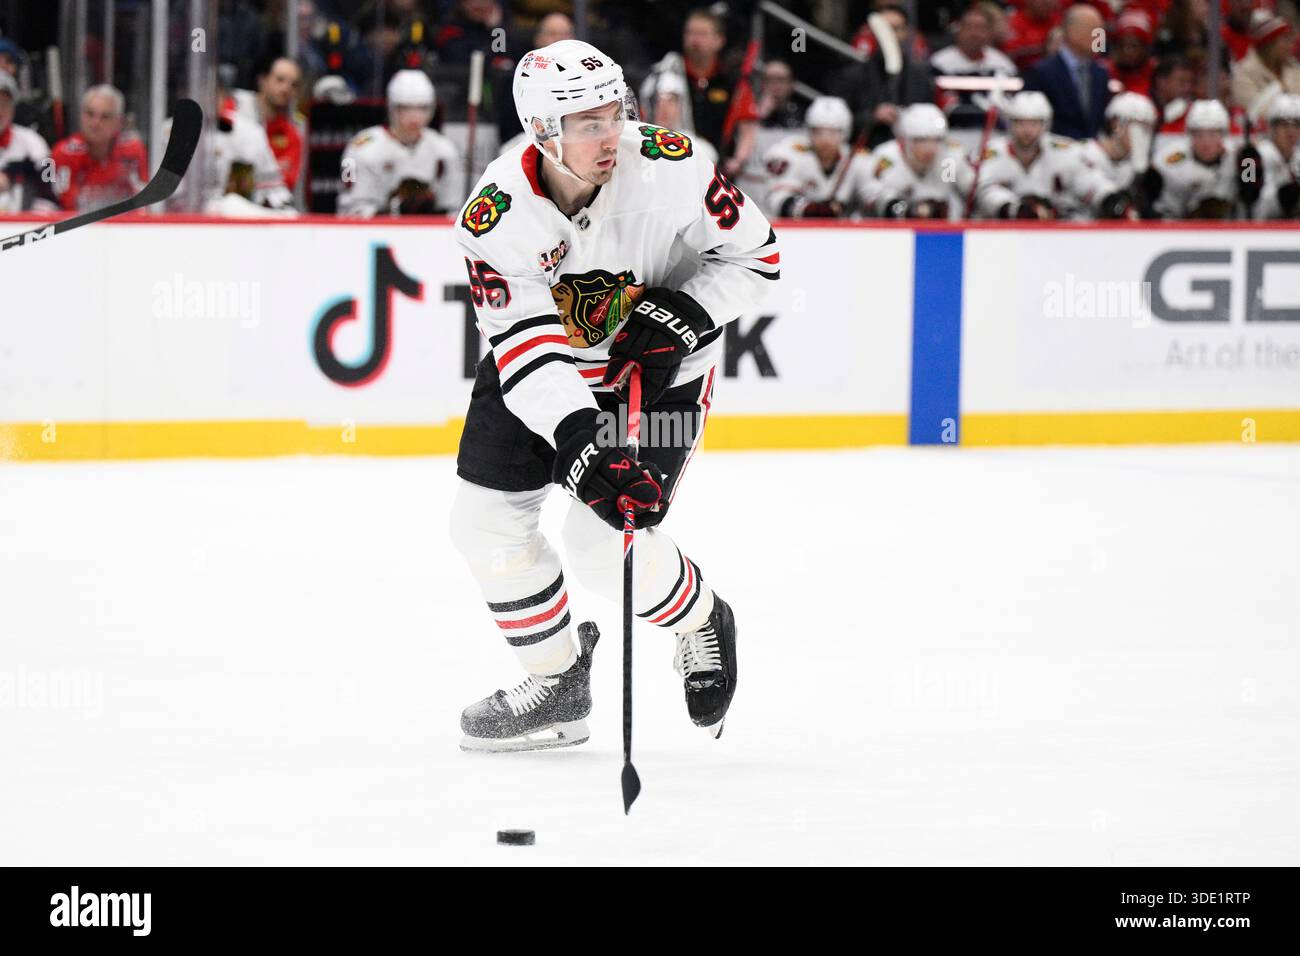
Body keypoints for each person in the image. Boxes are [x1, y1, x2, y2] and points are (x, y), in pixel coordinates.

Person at [451, 39, 778, 751]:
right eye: (589, 124)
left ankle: (700, 620)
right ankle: (558, 681)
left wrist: (684, 315)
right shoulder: (496, 215)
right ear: (543, 133)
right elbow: (531, 352)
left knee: (602, 548)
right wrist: (580, 445)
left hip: (661, 378)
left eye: (615, 113)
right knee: (483, 525)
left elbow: (759, 256)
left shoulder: (674, 164)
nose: (613, 136)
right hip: (547, 372)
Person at [971, 90, 1118, 220]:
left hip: (1057, 227)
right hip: (1006, 230)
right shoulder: (993, 152)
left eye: (1034, 123)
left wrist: (1109, 197)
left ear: (1046, 124)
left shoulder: (1064, 151)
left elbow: (1088, 181)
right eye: (1020, 123)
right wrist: (1015, 209)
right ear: (1010, 124)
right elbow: (985, 191)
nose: (1027, 131)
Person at [337, 70, 459, 217]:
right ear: (392, 107)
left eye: (422, 108)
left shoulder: (443, 151)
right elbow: (351, 209)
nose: (415, 117)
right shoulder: (361, 148)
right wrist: (391, 213)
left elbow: (452, 211)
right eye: (406, 108)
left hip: (426, 233)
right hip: (375, 233)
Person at [834, 4, 936, 149]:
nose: (888, 35)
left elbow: (930, 118)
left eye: (895, 29)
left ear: (906, 32)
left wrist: (906, 117)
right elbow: (838, 121)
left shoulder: (920, 75)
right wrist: (873, 116)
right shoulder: (853, 75)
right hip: (865, 152)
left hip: (910, 157)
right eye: (883, 29)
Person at [763, 96, 872, 218]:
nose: (825, 140)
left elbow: (873, 194)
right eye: (818, 132)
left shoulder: (858, 159)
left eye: (833, 132)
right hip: (796, 232)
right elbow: (777, 197)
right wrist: (807, 209)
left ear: (845, 133)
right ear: (809, 131)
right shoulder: (791, 152)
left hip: (844, 233)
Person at [861, 103, 973, 220]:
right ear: (905, 140)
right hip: (895, 230)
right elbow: (871, 192)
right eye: (920, 140)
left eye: (936, 140)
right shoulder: (888, 159)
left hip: (943, 229)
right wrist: (897, 206)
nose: (929, 149)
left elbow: (973, 190)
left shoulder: (948, 161)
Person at [50, 85, 148, 213]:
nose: (95, 123)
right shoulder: (63, 153)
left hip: (123, 228)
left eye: (105, 117)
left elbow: (144, 202)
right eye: (90, 114)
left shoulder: (132, 150)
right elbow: (63, 207)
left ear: (119, 122)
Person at [1023, 4, 1113, 140]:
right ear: (1072, 32)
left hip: (1091, 155)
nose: (1101, 38)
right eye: (1096, 31)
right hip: (1053, 154)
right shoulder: (1041, 73)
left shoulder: (1100, 74)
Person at [1148, 99, 1241, 219]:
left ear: (1223, 135)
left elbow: (1252, 190)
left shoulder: (1243, 158)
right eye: (1198, 134)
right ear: (1189, 136)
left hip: (1233, 229)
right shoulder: (1168, 161)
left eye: (1212, 134)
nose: (1205, 142)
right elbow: (1161, 210)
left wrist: (1249, 178)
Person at [930, 3, 1018, 130]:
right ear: (958, 30)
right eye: (969, 28)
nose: (974, 34)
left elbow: (1010, 103)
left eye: (981, 28)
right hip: (952, 131)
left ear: (989, 32)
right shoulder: (940, 63)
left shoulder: (1003, 64)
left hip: (996, 131)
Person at [232, 56, 306, 194]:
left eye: (293, 84)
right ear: (263, 80)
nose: (286, 88)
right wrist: (272, 169)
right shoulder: (236, 107)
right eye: (280, 80)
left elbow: (284, 184)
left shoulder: (292, 134)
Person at [0, 71, 56, 213]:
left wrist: (32, 225)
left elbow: (50, 191)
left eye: (4, 103)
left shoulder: (34, 142)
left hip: (23, 228)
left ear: (13, 107)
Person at [1231, 13, 1300, 122]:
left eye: (1290, 40)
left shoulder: (1295, 70)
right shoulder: (1244, 73)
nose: (1290, 45)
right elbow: (1254, 113)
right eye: (1285, 40)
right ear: (1269, 44)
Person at [1253, 93, 1300, 219]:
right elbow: (1251, 204)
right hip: (1257, 231)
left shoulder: (1298, 156)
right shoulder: (1254, 157)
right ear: (1272, 128)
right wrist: (1282, 196)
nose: (1291, 131)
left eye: (1296, 124)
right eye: (1284, 124)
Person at [1001, 0, 1063, 72]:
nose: (1048, 3)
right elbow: (1009, 53)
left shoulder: (1059, 20)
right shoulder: (1013, 23)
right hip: (1022, 72)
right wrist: (1043, 48)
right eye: (1043, 1)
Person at [1107, 9, 1157, 98]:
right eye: (1122, 45)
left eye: (1133, 45)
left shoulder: (1156, 74)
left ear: (1145, 48)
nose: (1127, 51)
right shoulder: (1105, 73)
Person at [757, 59, 803, 130]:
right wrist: (760, 114)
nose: (775, 84)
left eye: (781, 80)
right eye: (770, 79)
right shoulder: (750, 109)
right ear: (762, 84)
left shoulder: (800, 113)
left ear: (791, 83)